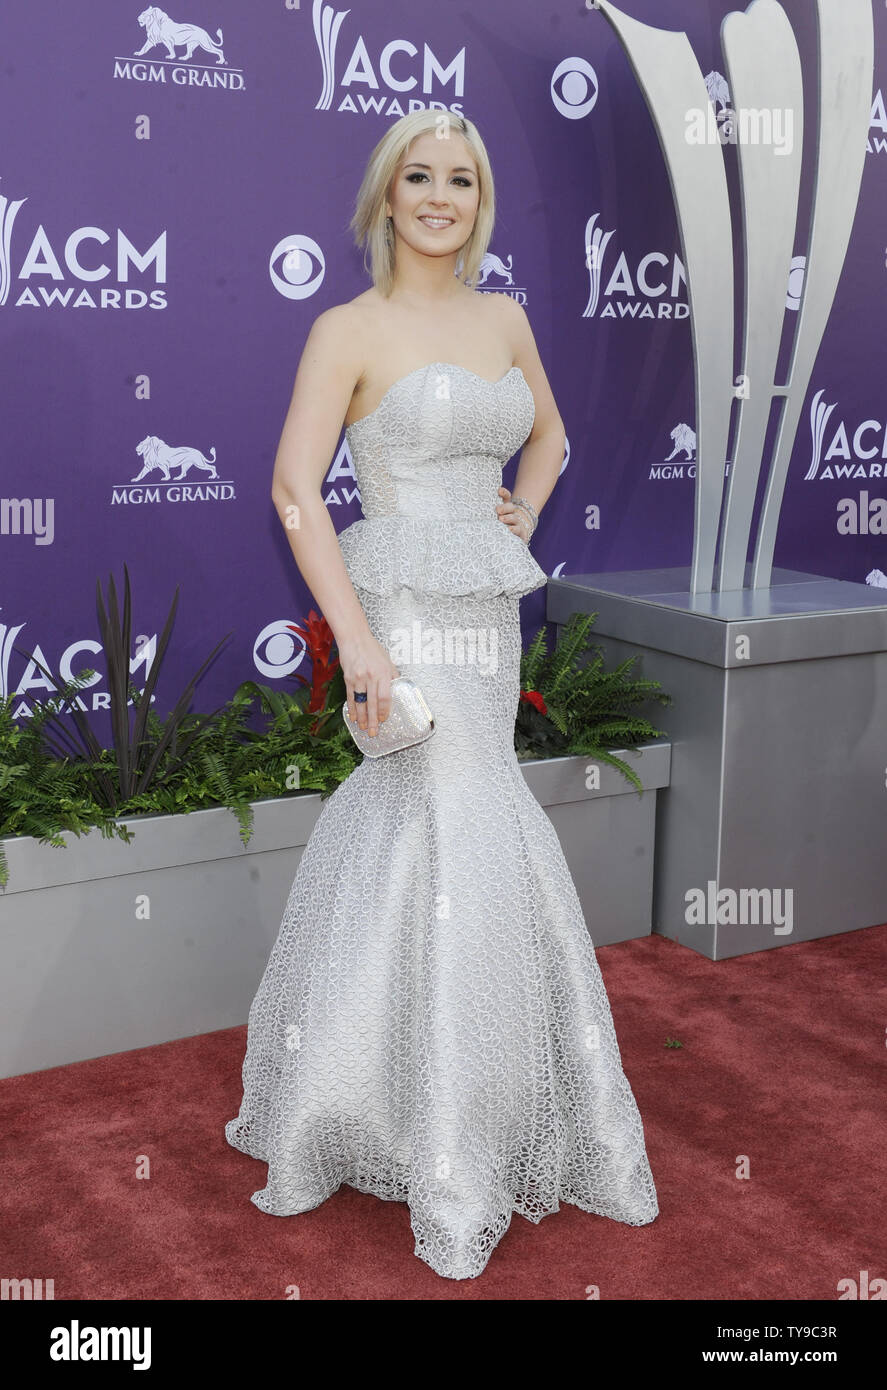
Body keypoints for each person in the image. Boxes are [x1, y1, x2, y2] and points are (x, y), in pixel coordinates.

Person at [225, 109, 658, 1281]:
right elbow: (292, 490)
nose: (437, 196)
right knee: (466, 826)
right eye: (417, 177)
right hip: (403, 619)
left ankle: (392, 1084)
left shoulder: (503, 315)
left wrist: (512, 507)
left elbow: (551, 437)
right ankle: (447, 1139)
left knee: (435, 835)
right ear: (382, 198)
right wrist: (358, 648)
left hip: (483, 610)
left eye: (459, 180)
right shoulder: (346, 327)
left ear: (479, 202)